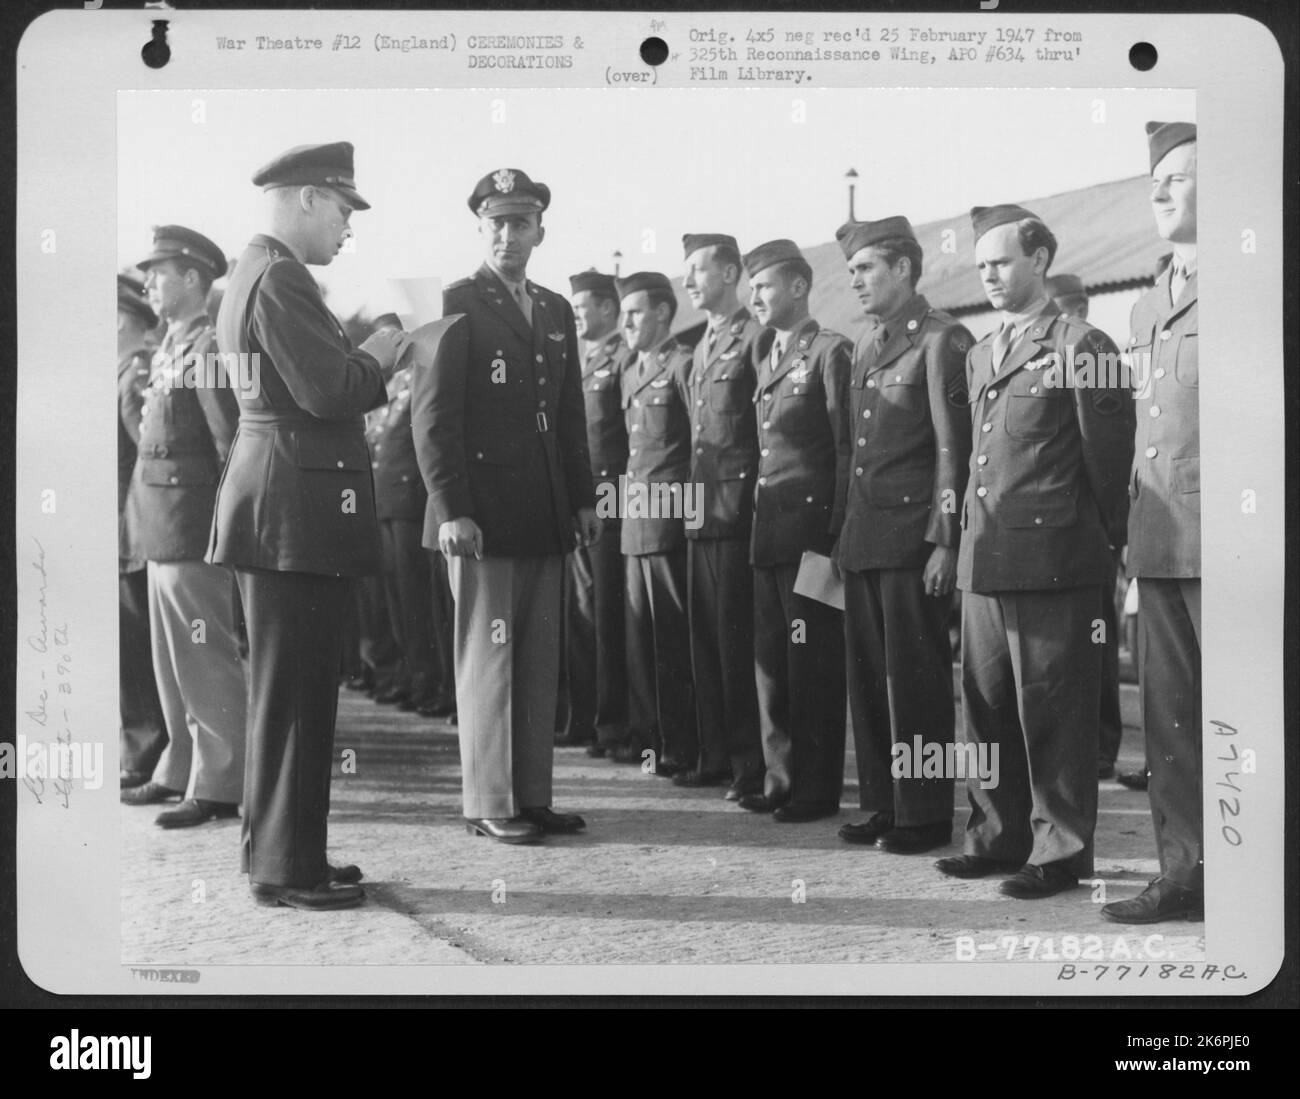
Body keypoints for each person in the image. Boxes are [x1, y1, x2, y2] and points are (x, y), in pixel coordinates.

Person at [208, 142, 406, 909]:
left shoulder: (251, 272)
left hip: (275, 505)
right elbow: (327, 390)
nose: (348, 230)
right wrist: (385, 350)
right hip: (295, 513)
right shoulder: (283, 276)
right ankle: (289, 868)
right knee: (296, 694)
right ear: (308, 199)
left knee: (284, 690)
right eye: (344, 210)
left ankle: (286, 850)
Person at [936, 204, 1134, 898]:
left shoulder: (1086, 344)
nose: (988, 274)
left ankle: (1060, 851)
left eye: (1002, 261)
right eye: (981, 264)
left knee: (1053, 710)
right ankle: (996, 836)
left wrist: (1104, 547)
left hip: (1057, 559)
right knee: (985, 707)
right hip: (985, 558)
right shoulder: (980, 351)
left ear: (1040, 260)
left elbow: (1109, 462)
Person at [410, 168, 597, 845]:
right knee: (487, 662)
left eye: (521, 222)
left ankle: (532, 795)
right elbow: (433, 420)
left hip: (543, 513)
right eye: (497, 222)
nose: (509, 234)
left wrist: (581, 498)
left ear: (540, 231)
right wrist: (451, 507)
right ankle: (489, 800)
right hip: (480, 520)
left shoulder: (554, 309)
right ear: (480, 228)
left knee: (537, 661)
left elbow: (570, 412)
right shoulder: (450, 301)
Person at [832, 216, 972, 853]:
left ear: (905, 269)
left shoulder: (943, 340)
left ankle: (924, 814)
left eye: (867, 269)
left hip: (912, 543)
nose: (856, 281)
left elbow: (953, 448)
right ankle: (886, 805)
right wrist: (841, 538)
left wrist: (945, 539)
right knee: (868, 681)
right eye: (853, 270)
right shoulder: (867, 344)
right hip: (864, 539)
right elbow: (854, 452)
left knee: (914, 682)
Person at [1102, 122, 1203, 924]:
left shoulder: (1258, 280)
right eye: (1155, 180)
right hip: (1161, 539)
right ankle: (1185, 874)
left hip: (1232, 544)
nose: (1161, 191)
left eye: (1180, 176)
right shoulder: (1145, 307)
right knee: (1168, 723)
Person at [120, 226, 247, 829]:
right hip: (159, 527)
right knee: (170, 659)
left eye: (159, 272)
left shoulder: (209, 350)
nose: (148, 283)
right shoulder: (172, 348)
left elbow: (230, 447)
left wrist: (229, 529)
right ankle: (179, 766)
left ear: (194, 278)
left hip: (195, 527)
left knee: (203, 655)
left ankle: (221, 783)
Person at [739, 239, 851, 822]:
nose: (754, 297)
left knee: (814, 665)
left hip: (812, 538)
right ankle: (781, 778)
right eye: (751, 287)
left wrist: (835, 535)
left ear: (800, 287)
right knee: (773, 665)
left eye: (764, 286)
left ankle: (816, 788)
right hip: (770, 536)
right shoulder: (767, 357)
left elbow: (843, 448)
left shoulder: (831, 352)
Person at [676, 234, 764, 798]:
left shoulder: (755, 338)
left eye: (699, 271)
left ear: (730, 274)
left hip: (737, 512)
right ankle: (713, 754)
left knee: (739, 647)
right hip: (699, 512)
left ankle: (750, 765)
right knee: (703, 643)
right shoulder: (699, 346)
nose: (688, 283)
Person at [613, 271, 698, 776]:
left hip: (669, 523)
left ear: (664, 313)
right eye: (623, 314)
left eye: (636, 312)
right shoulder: (630, 372)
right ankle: (648, 741)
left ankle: (681, 744)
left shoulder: (683, 365)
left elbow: (695, 450)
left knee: (671, 639)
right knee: (639, 638)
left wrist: (690, 518)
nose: (626, 323)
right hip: (634, 523)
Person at [1047, 273, 1127, 781]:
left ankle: (1101, 744)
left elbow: (1110, 448)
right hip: (1055, 528)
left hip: (1090, 525)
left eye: (1072, 307)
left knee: (1096, 638)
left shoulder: (1091, 349)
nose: (1066, 318)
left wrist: (1109, 528)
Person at [558, 270, 630, 755]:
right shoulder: (582, 363)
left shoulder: (625, 359)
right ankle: (584, 718)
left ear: (609, 308)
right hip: (583, 499)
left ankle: (615, 724)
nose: (578, 314)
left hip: (616, 498)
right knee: (581, 612)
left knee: (607, 614)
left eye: (585, 306)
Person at [369, 314, 454, 718]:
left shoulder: (423, 375)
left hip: (409, 502)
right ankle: (413, 677)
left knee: (417, 601)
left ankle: (431, 682)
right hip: (387, 501)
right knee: (398, 601)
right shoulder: (393, 384)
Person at [117, 273, 167, 789]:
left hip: (129, 529)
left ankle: (146, 753)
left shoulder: (133, 372)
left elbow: (149, 456)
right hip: (120, 529)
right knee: (130, 649)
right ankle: (143, 749)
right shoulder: (121, 371)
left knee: (135, 649)